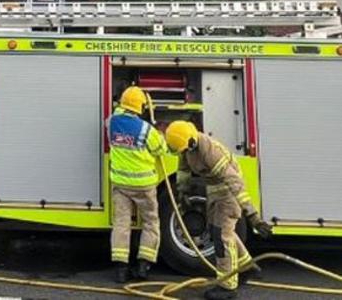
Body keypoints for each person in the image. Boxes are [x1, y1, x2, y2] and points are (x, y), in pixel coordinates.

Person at [165, 120, 272, 300]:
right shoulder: (187, 147)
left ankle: (227, 286)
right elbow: (183, 170)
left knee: (222, 237)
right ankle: (246, 267)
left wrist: (253, 216)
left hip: (228, 193)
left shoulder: (209, 151)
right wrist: (182, 193)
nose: (182, 153)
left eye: (183, 150)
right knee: (221, 231)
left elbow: (234, 182)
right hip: (215, 192)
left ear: (191, 141)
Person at [107, 86, 166, 283]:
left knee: (122, 224)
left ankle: (120, 269)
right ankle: (143, 265)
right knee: (151, 222)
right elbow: (161, 149)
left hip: (121, 184)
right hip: (144, 186)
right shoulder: (146, 129)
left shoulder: (112, 123)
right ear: (140, 106)